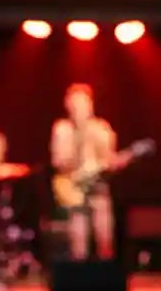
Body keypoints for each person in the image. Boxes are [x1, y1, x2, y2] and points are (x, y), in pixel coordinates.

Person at [50, 82, 120, 261]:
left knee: (103, 233)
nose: (78, 107)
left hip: (98, 188)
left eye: (82, 103)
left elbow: (109, 158)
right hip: (74, 189)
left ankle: (105, 273)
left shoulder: (101, 128)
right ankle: (79, 272)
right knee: (78, 236)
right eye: (74, 103)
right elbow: (57, 160)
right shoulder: (62, 129)